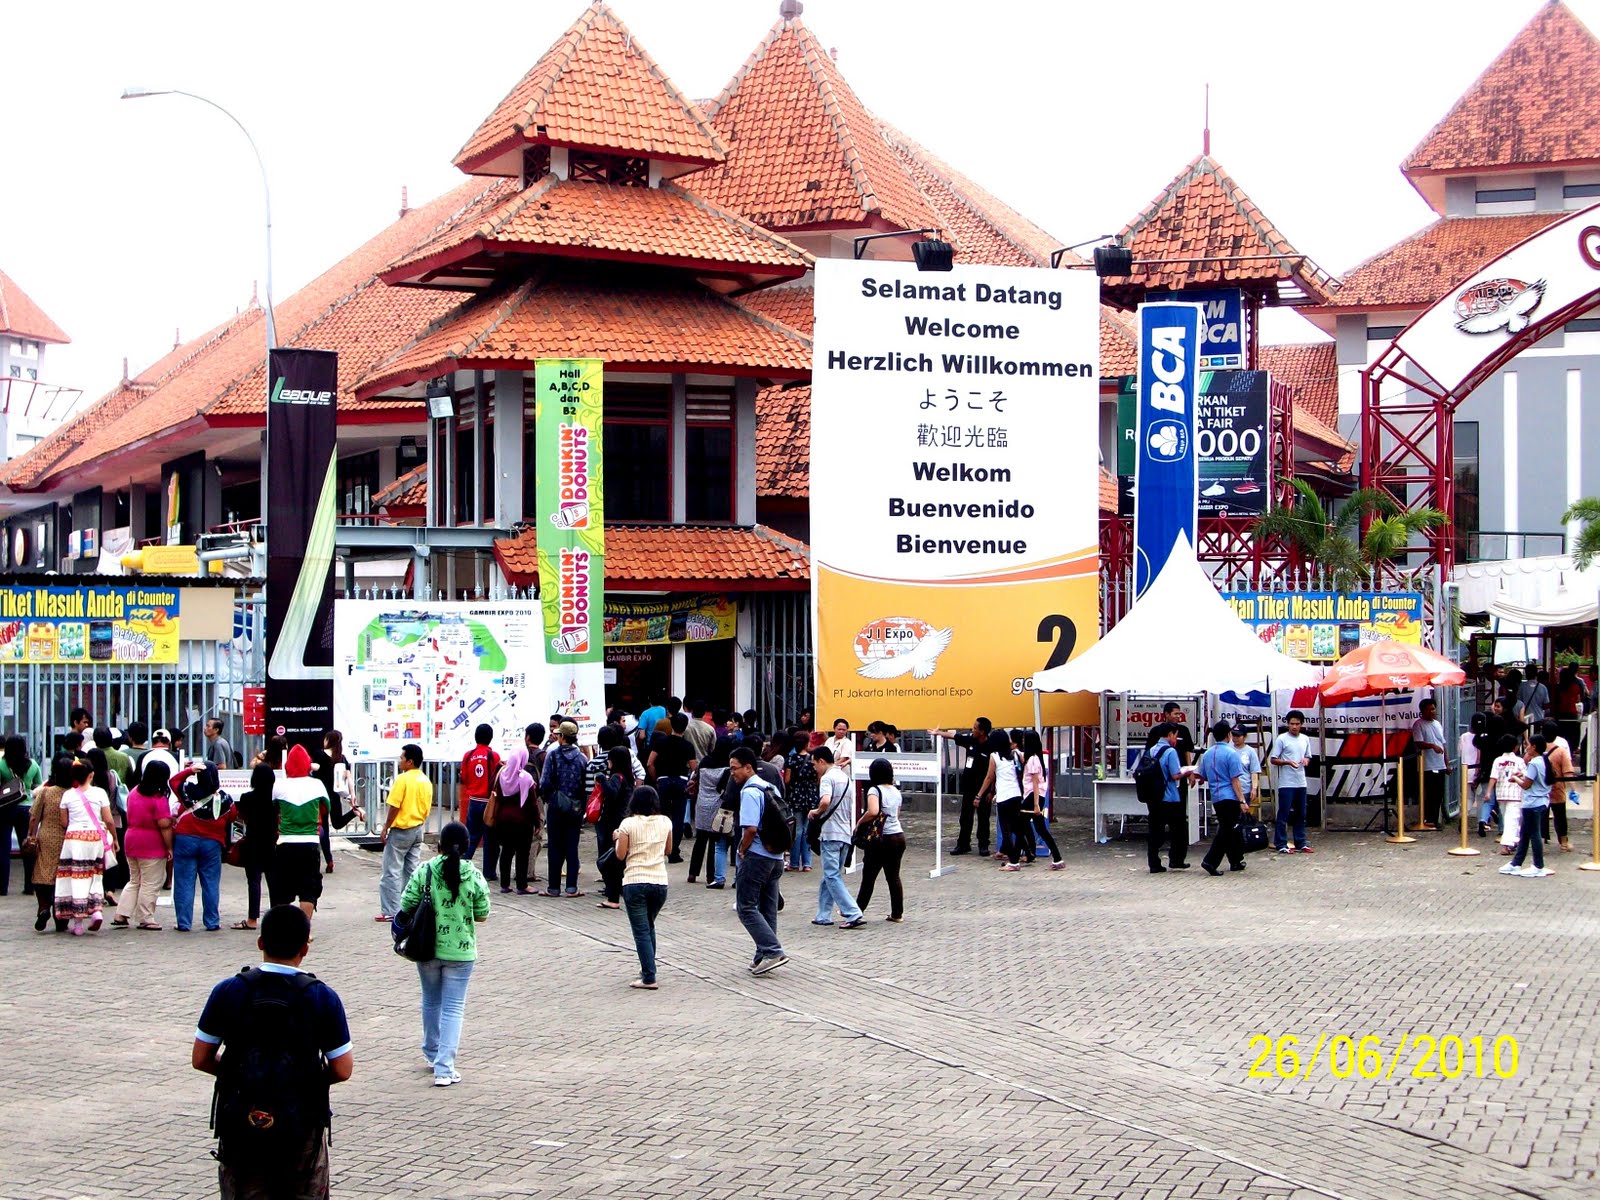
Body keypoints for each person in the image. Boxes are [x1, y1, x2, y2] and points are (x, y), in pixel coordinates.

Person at [193, 904, 353, 1195]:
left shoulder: (228, 990)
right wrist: (304, 1081)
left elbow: (200, 1058)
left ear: (260, 943)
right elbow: (342, 1069)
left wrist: (237, 1075)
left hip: (241, 1118)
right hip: (301, 1121)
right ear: (305, 948)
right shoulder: (322, 996)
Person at [400, 821, 490, 1085]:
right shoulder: (473, 875)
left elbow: (406, 904)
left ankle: (431, 1053)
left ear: (438, 846)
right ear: (467, 847)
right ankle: (445, 1068)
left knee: (431, 1001)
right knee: (453, 1008)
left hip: (426, 948)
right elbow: (482, 914)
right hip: (461, 952)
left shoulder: (425, 870)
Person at [731, 746, 788, 975]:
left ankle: (772, 951)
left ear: (748, 767)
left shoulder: (749, 792)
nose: (732, 773)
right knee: (768, 909)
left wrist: (742, 849)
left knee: (746, 907)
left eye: (735, 768)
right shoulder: (770, 787)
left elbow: (751, 828)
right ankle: (762, 955)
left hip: (757, 856)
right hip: (776, 856)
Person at [615, 785, 673, 989]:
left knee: (641, 931)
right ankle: (648, 969)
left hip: (635, 880)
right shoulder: (665, 822)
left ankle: (649, 976)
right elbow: (668, 850)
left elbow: (620, 855)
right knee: (648, 926)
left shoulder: (627, 824)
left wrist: (617, 838)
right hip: (659, 881)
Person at [171, 764, 236, 933]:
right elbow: (232, 816)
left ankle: (184, 923)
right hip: (212, 844)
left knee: (184, 882)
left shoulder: (187, 790)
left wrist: (189, 771)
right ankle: (212, 921)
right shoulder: (225, 799)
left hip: (185, 841)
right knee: (211, 882)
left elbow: (173, 781)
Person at [55, 761, 116, 935]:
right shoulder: (100, 793)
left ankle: (78, 924)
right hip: (95, 837)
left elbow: (64, 822)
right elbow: (109, 820)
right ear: (91, 775)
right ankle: (96, 911)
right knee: (95, 875)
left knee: (75, 878)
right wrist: (115, 838)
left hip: (73, 839)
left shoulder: (68, 795)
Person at [113, 758, 174, 929]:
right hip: (151, 844)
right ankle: (146, 917)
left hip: (131, 839)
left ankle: (121, 914)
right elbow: (164, 825)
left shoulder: (133, 792)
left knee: (135, 880)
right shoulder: (158, 798)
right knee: (151, 882)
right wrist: (169, 847)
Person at [270, 745, 330, 919]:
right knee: (308, 890)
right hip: (310, 842)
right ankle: (304, 929)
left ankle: (284, 927)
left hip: (285, 843)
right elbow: (326, 808)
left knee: (282, 890)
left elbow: (274, 808)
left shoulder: (279, 786)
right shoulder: (317, 785)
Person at [808, 745, 863, 927]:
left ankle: (852, 912)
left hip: (830, 832)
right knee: (831, 875)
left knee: (831, 876)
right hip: (845, 833)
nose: (814, 768)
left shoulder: (827, 778)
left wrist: (816, 811)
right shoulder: (845, 778)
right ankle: (823, 915)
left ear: (821, 761)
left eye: (814, 764)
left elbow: (825, 801)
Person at [378, 743, 433, 921]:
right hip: (417, 829)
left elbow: (394, 806)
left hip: (401, 829)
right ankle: (410, 908)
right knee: (412, 871)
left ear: (410, 761)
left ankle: (391, 911)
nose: (399, 761)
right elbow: (427, 808)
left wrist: (386, 826)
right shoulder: (425, 780)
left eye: (402, 758)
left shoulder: (403, 779)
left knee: (391, 871)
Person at [25, 755, 74, 932]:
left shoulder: (46, 792)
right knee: (64, 875)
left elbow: (34, 817)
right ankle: (62, 916)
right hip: (68, 839)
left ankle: (44, 907)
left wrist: (31, 835)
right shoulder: (74, 794)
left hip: (46, 838)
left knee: (42, 873)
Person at [539, 721, 589, 897]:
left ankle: (553, 887)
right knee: (572, 846)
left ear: (562, 737)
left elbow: (544, 782)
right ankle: (571, 887)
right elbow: (586, 786)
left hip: (556, 807)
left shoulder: (552, 756)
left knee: (554, 846)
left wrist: (551, 798)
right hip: (575, 808)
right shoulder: (582, 758)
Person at [854, 757, 906, 921]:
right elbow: (897, 814)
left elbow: (873, 811)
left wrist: (859, 822)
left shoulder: (874, 790)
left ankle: (856, 910)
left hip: (881, 839)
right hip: (898, 836)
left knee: (869, 876)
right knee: (893, 876)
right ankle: (897, 913)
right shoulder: (896, 791)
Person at [1199, 720, 1250, 877]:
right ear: (1228, 735)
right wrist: (1242, 800)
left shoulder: (1207, 754)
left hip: (1216, 796)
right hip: (1230, 796)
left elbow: (1203, 775)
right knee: (1226, 831)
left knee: (1229, 829)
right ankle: (1210, 860)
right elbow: (1235, 780)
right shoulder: (1231, 753)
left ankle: (1235, 860)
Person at [487, 744, 540, 894]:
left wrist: (498, 768)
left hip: (503, 819)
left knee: (506, 851)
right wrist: (537, 823)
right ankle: (522, 886)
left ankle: (505, 885)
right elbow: (533, 803)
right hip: (523, 821)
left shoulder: (502, 774)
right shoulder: (526, 778)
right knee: (522, 853)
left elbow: (491, 787)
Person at [232, 763, 278, 931]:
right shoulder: (275, 800)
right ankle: (276, 917)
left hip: (253, 843)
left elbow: (241, 817)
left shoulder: (247, 798)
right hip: (272, 843)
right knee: (274, 883)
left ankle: (252, 919)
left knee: (253, 882)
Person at [1501, 734, 1554, 878]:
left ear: (1534, 747)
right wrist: (1522, 774)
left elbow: (1526, 785)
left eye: (1529, 744)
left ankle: (1538, 865)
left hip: (1532, 803)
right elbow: (1532, 778)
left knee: (1534, 834)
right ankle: (1516, 863)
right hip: (1540, 801)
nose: (1527, 747)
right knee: (1524, 834)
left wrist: (1515, 778)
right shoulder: (1543, 760)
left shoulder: (1534, 763)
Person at [313, 729, 364, 875]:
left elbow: (315, 767)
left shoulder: (319, 754)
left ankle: (328, 860)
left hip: (320, 797)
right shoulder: (341, 758)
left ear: (328, 740)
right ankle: (353, 813)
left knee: (322, 829)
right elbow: (349, 778)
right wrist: (353, 796)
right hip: (334, 796)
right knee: (336, 823)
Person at [647, 712, 696, 862]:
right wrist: (691, 782)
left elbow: (650, 763)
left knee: (662, 816)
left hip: (663, 780)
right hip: (681, 781)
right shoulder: (688, 746)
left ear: (671, 725)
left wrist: (656, 778)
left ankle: (661, 847)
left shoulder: (660, 742)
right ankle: (674, 850)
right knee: (678, 816)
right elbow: (694, 768)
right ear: (685, 727)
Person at [1140, 723, 1188, 872]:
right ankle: (1176, 859)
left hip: (1153, 796)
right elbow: (1175, 774)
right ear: (1170, 734)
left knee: (1155, 830)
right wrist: (1186, 771)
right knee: (1179, 829)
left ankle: (1153, 863)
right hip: (1169, 797)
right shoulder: (1170, 751)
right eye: (1175, 735)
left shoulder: (1151, 750)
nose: (1176, 739)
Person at [944, 716, 993, 856]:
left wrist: (992, 791)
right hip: (969, 787)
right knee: (965, 817)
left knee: (983, 818)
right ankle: (963, 844)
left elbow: (993, 773)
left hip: (984, 788)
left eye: (975, 728)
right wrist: (938, 733)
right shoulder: (971, 741)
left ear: (982, 731)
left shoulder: (991, 746)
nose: (972, 730)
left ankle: (983, 844)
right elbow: (954, 736)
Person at [0, 735, 41, 897]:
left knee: (3, 848)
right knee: (28, 847)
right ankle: (30, 886)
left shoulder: (2, 764)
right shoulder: (33, 765)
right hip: (27, 809)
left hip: (6, 808)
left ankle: (2, 887)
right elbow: (38, 786)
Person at [687, 737, 731, 885]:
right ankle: (710, 876)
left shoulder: (705, 761)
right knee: (714, 840)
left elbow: (697, 779)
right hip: (717, 804)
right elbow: (723, 788)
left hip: (701, 803)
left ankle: (693, 873)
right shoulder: (727, 766)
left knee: (700, 839)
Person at [459, 723, 502, 876]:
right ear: (491, 738)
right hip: (488, 803)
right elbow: (498, 779)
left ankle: (462, 867)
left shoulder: (468, 755)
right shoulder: (494, 756)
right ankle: (489, 873)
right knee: (491, 839)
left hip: (473, 801)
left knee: (471, 837)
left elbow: (464, 778)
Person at [596, 745, 634, 909]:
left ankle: (612, 890)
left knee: (610, 858)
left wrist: (602, 780)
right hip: (623, 821)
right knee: (620, 857)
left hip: (612, 823)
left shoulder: (616, 777)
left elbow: (611, 793)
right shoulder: (628, 778)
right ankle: (617, 887)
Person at [1270, 710, 1313, 854]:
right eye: (1292, 724)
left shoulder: (1305, 739)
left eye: (1297, 724)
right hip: (1286, 782)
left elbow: (1308, 756)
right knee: (1284, 813)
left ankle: (1301, 842)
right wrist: (1287, 762)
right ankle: (1281, 843)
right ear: (1288, 724)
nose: (1294, 726)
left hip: (1301, 781)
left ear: (1301, 724)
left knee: (1301, 813)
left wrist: (1306, 760)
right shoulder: (1282, 739)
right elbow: (1273, 759)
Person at [991, 728, 1029, 870]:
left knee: (1006, 830)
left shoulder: (994, 756)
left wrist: (980, 794)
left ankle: (1013, 861)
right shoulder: (1015, 754)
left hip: (1003, 796)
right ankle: (1025, 853)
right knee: (1016, 828)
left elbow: (989, 777)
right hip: (1016, 794)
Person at [1409, 699, 1449, 830]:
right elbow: (1419, 743)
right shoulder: (1418, 725)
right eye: (1429, 709)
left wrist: (1447, 763)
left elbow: (1443, 743)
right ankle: (1427, 819)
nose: (1432, 711)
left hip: (1440, 764)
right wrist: (1432, 746)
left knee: (1438, 794)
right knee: (1429, 793)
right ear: (1423, 711)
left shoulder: (1437, 724)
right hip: (1427, 765)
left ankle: (1434, 819)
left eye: (1434, 709)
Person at [784, 728, 819, 873]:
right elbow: (818, 779)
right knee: (807, 830)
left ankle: (793, 862)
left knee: (797, 830)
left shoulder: (790, 759)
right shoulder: (813, 759)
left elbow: (787, 780)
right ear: (807, 742)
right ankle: (807, 863)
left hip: (796, 797)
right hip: (811, 796)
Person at [1541, 720, 1576, 852]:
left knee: (1541, 815)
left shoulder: (1536, 749)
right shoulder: (1561, 751)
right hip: (1557, 787)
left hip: (1540, 789)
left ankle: (1541, 840)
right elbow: (1568, 772)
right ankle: (1564, 842)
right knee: (1560, 815)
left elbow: (1526, 762)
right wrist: (1573, 789)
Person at [1488, 734, 1525, 855]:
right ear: (1515, 747)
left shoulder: (1498, 761)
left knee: (1507, 818)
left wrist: (1488, 791)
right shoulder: (1519, 761)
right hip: (1516, 794)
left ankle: (1514, 841)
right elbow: (1526, 776)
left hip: (1501, 794)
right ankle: (1507, 844)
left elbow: (1493, 777)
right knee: (1513, 819)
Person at [94, 727, 133, 792]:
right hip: (120, 795)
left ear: (95, 741)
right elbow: (131, 779)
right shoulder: (124, 757)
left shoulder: (92, 756)